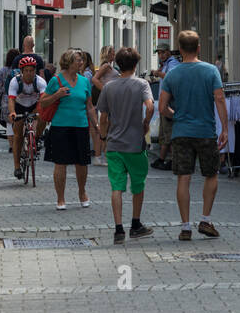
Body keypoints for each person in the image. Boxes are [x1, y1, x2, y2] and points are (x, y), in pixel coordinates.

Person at [158, 31, 227, 240]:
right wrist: (225, 128)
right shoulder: (210, 71)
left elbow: (162, 107)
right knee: (211, 174)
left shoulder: (172, 74)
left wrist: (175, 115)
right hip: (206, 130)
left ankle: (186, 226)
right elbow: (220, 99)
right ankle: (205, 219)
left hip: (181, 132)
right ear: (198, 48)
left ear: (179, 50)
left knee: (183, 178)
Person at [97, 46, 154, 244]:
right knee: (138, 184)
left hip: (114, 144)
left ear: (118, 64)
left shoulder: (109, 87)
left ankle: (118, 229)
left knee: (116, 187)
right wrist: (146, 123)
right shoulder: (142, 84)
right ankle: (136, 224)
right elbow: (150, 106)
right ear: (136, 64)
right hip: (135, 144)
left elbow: (103, 117)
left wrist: (103, 137)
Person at [38, 49, 99, 210]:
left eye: (82, 60)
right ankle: (60, 198)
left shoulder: (84, 81)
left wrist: (96, 124)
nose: (81, 63)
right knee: (60, 163)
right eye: (78, 60)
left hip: (81, 125)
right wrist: (56, 95)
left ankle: (82, 192)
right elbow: (43, 103)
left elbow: (90, 106)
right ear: (69, 61)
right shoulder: (56, 80)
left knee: (82, 163)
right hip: (60, 126)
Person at [8, 55, 47, 180]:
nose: (29, 73)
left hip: (35, 105)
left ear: (35, 71)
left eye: (32, 70)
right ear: (22, 71)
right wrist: (12, 112)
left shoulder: (40, 82)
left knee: (43, 118)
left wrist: (38, 112)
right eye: (26, 71)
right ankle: (17, 167)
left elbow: (43, 100)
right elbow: (11, 100)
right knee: (18, 135)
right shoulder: (15, 81)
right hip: (19, 106)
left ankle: (37, 138)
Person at [150, 40, 180, 170]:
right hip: (165, 102)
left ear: (168, 52)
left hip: (170, 103)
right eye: (159, 53)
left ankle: (172, 161)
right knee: (164, 133)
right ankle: (163, 159)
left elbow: (170, 77)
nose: (161, 55)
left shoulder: (173, 63)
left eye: (163, 52)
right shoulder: (165, 64)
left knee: (169, 133)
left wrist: (158, 73)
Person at [0, 47, 21, 151]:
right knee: (19, 122)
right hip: (19, 98)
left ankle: (11, 146)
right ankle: (19, 144)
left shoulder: (3, 70)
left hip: (6, 99)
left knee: (10, 123)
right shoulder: (20, 70)